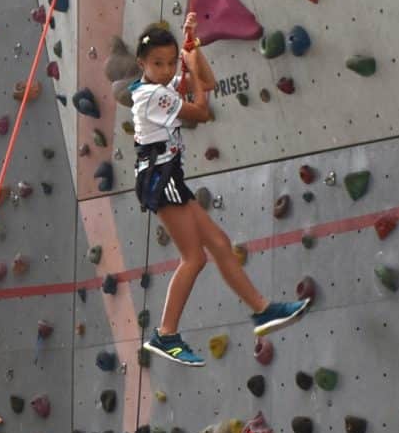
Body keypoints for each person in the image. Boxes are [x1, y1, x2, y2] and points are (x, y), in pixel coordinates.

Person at [128, 20, 313, 366]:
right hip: (158, 176)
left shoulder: (162, 89)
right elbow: (202, 111)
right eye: (158, 63)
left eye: (170, 63)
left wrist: (193, 54)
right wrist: (188, 67)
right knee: (194, 258)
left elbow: (208, 84)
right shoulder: (152, 96)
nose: (167, 69)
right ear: (142, 64)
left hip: (167, 175)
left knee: (219, 243)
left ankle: (262, 310)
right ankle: (165, 334)